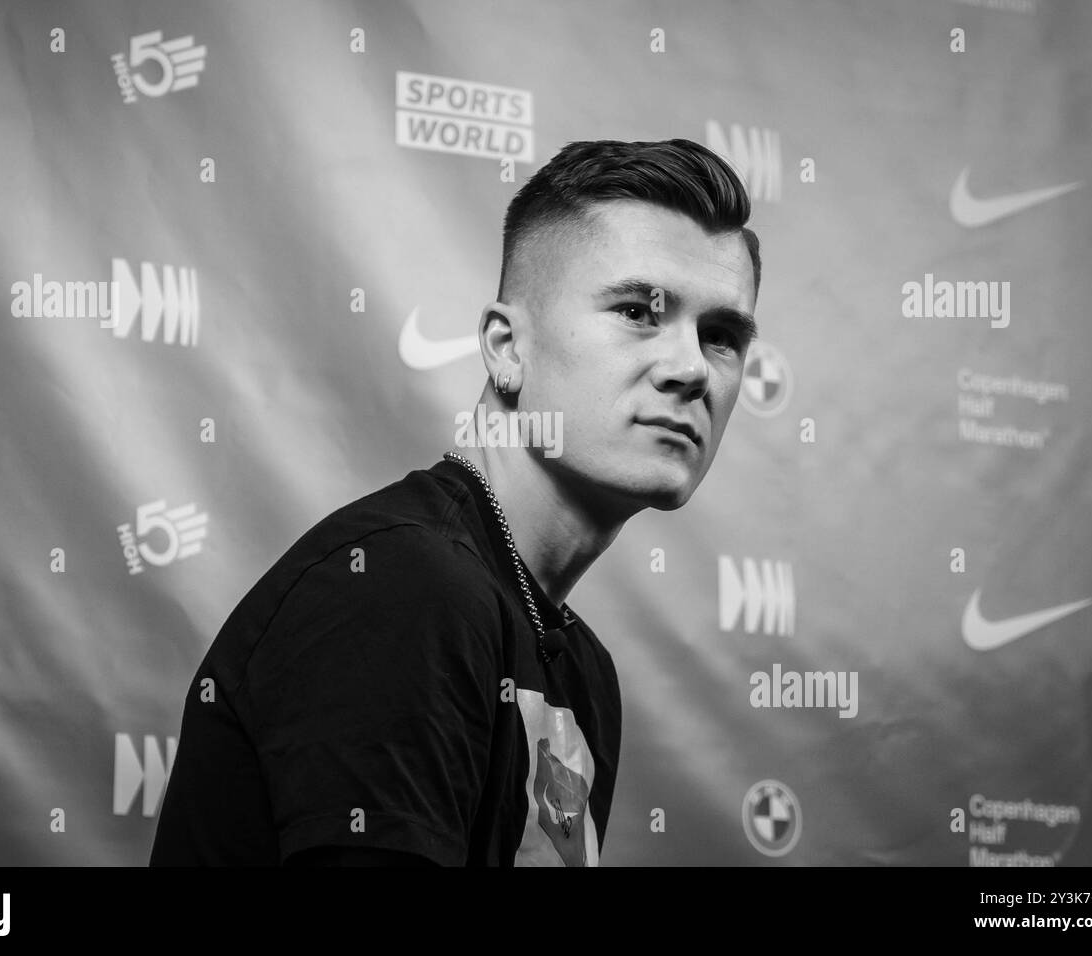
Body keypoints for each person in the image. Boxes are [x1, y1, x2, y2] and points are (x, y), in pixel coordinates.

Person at [148, 138, 762, 867]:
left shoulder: (580, 668)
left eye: (720, 335)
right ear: (506, 348)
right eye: (637, 310)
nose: (690, 367)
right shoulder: (403, 591)